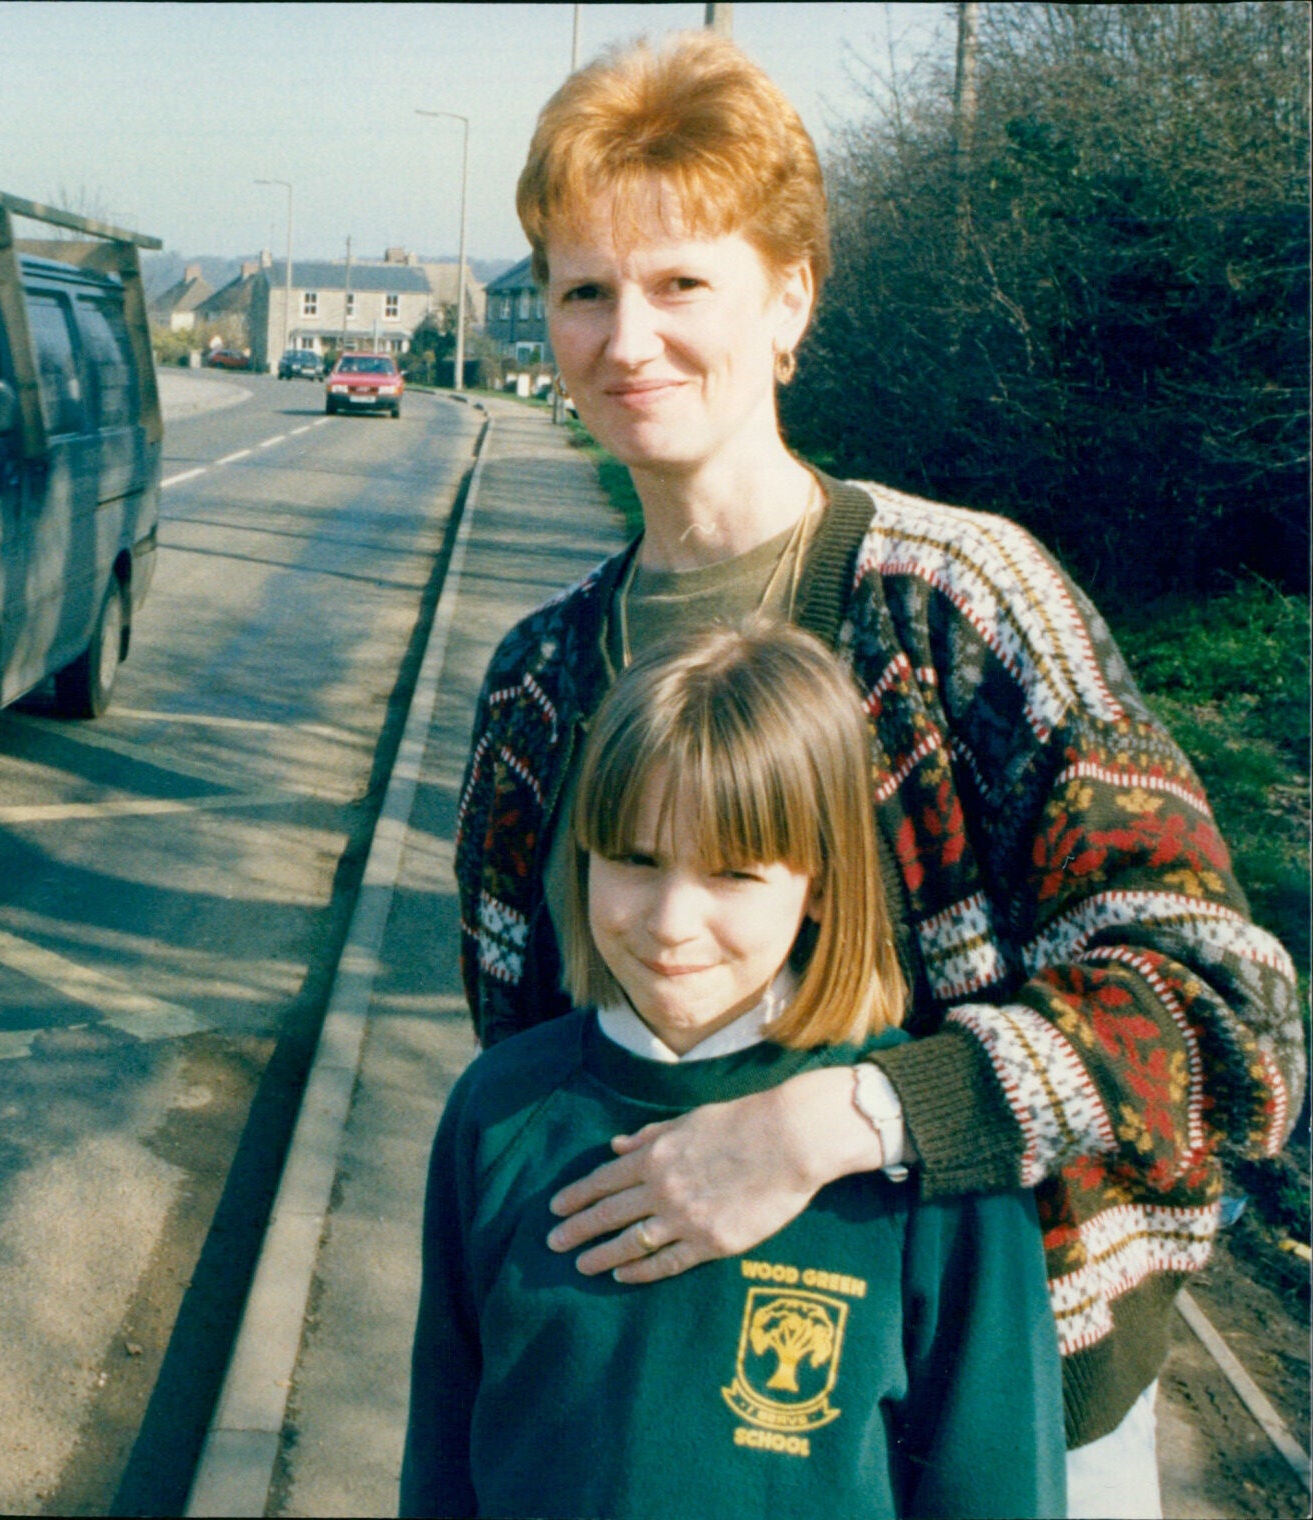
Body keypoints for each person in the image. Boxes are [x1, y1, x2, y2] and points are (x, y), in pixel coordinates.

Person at [450, 32, 1303, 1518]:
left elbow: (1222, 1010)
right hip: (664, 1417)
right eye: (582, 290)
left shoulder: (959, 603)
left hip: (1024, 1409)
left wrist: (841, 1121)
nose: (625, 338)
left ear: (788, 299)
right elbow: (535, 1061)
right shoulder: (536, 690)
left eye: (679, 285)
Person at [406, 622, 1066, 1519]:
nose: (673, 920)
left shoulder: (933, 1163)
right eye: (635, 859)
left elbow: (995, 1487)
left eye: (734, 874)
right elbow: (443, 1460)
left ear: (822, 884)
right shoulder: (499, 1111)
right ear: (584, 854)